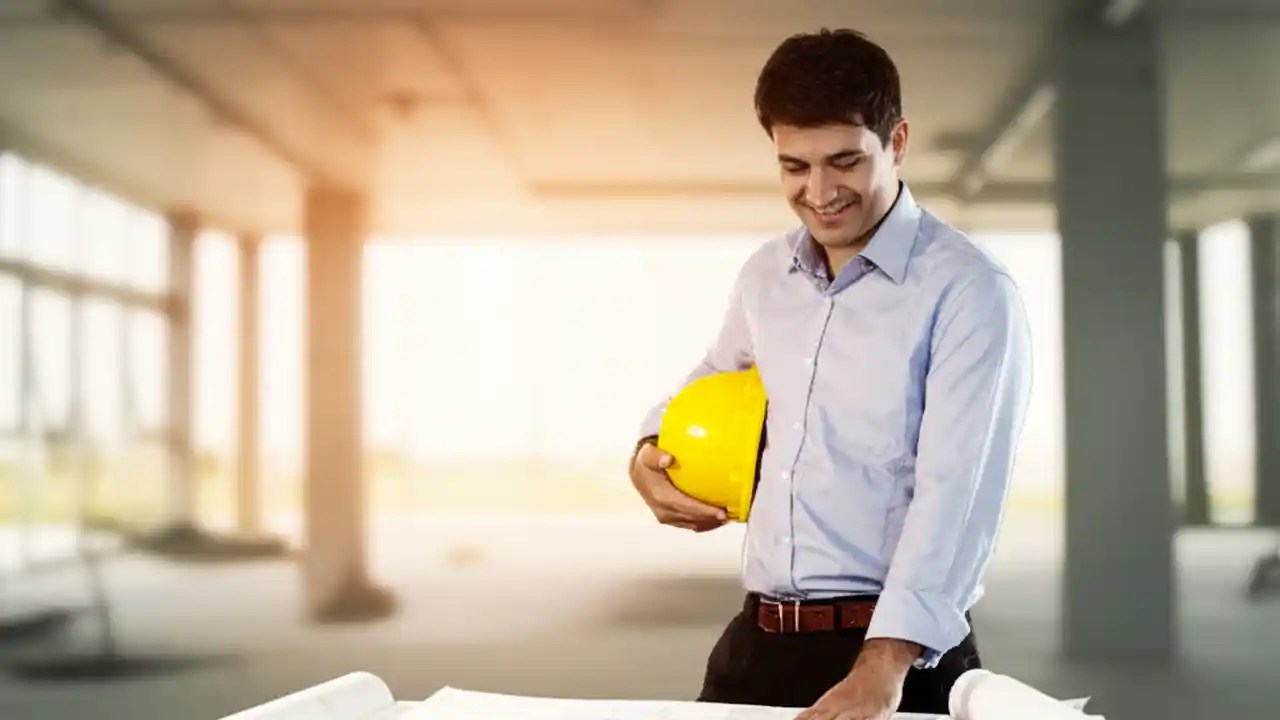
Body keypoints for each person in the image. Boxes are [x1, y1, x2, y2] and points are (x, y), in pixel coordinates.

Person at [628, 28, 1033, 719]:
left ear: (896, 141)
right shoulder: (766, 276)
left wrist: (884, 666)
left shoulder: (968, 291)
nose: (819, 192)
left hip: (897, 659)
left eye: (844, 161)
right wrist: (647, 450)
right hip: (757, 642)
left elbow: (957, 496)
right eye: (795, 166)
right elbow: (714, 376)